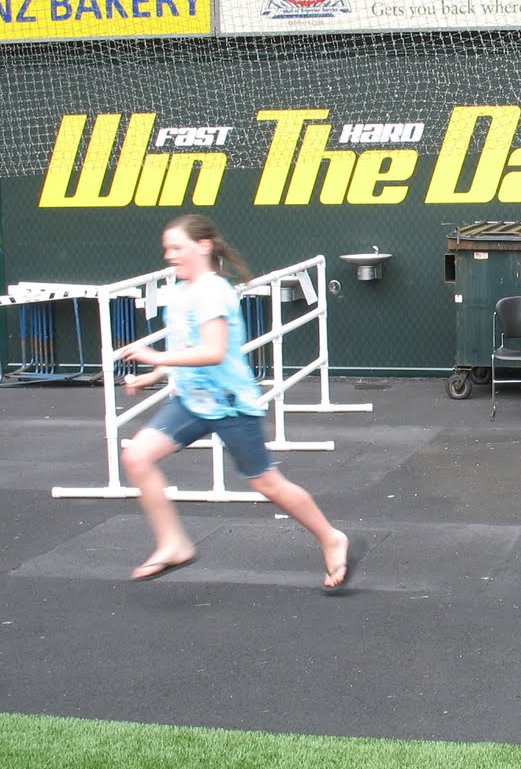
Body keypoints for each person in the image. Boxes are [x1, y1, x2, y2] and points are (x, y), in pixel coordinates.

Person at [119, 214, 357, 589]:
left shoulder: (214, 291)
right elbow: (186, 348)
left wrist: (155, 357)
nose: (169, 255)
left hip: (230, 405)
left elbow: (213, 351)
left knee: (267, 484)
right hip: (191, 402)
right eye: (167, 248)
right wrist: (154, 375)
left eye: (177, 247)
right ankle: (173, 543)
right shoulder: (181, 293)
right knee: (136, 455)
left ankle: (331, 537)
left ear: (204, 246)